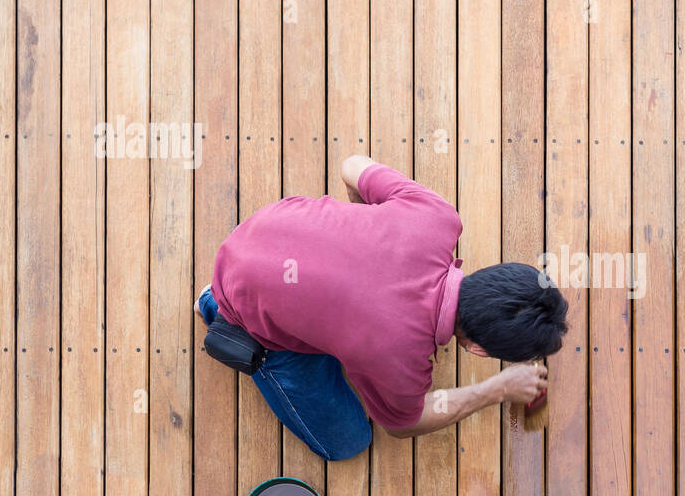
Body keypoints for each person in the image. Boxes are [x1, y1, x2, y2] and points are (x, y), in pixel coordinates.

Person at [195, 154, 567, 461]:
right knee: (348, 442)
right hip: (241, 297)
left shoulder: (438, 217)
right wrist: (497, 389)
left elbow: (352, 166)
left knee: (344, 329)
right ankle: (214, 305)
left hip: (266, 228)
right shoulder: (399, 360)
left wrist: (363, 237)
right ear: (478, 349)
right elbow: (403, 424)